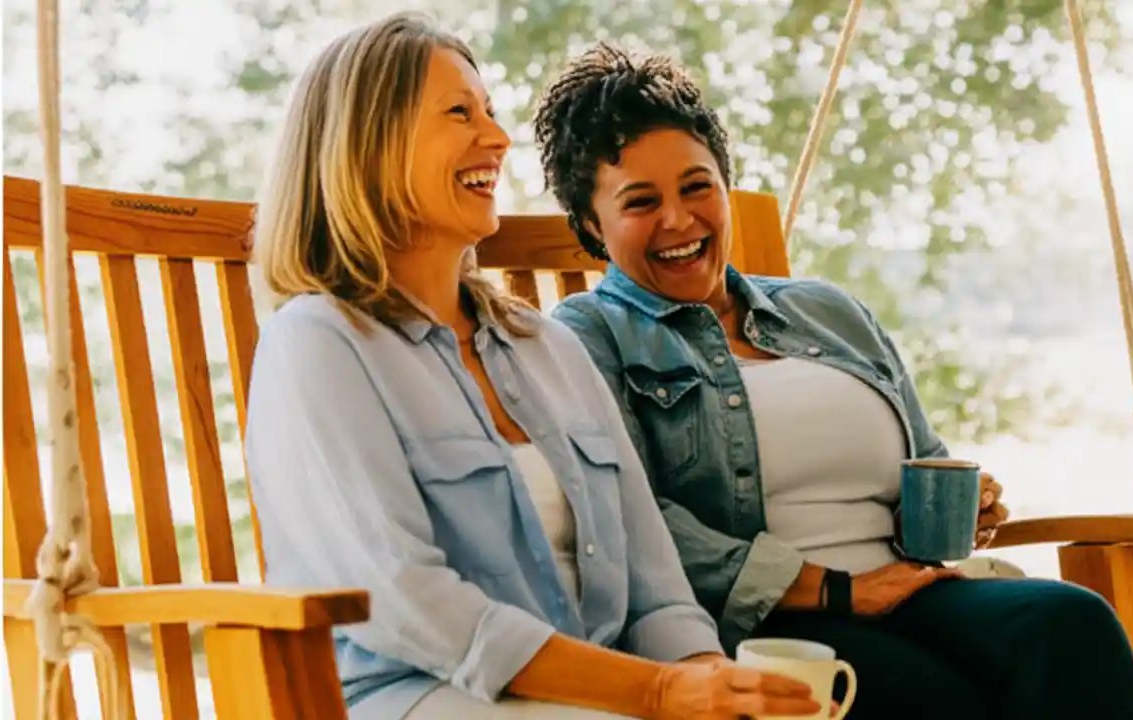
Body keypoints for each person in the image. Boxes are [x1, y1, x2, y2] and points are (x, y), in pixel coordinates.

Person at [535, 42, 1133, 720]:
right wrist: (837, 591)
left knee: (1070, 622)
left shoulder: (826, 310)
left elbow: (925, 455)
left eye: (697, 187)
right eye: (640, 201)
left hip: (914, 592)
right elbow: (632, 523)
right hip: (763, 627)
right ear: (590, 224)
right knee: (935, 698)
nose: (679, 220)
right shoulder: (584, 336)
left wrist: (964, 502)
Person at [244, 14, 821, 720]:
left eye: (489, 110)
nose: (496, 137)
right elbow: (399, 596)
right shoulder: (320, 343)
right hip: (419, 696)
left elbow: (657, 586)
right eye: (460, 112)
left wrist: (707, 679)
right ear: (369, 143)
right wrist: (660, 692)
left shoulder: (545, 348)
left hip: (599, 698)